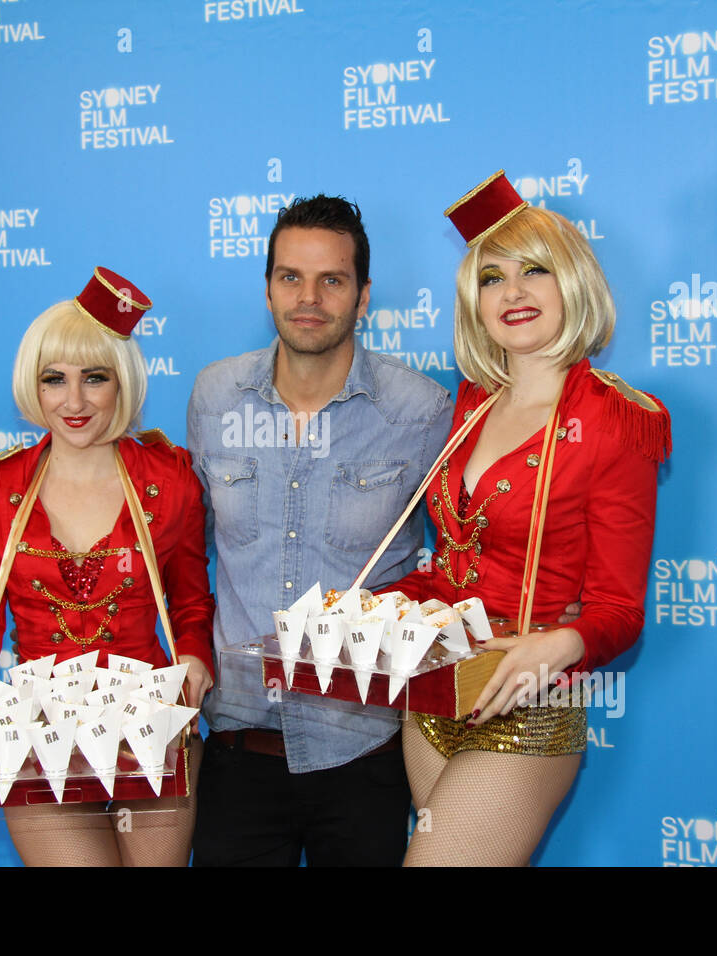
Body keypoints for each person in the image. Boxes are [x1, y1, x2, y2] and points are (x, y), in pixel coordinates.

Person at [391, 171, 671, 866]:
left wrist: (556, 646)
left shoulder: (617, 419)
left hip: (528, 708)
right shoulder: (470, 405)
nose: (511, 293)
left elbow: (618, 608)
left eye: (533, 271)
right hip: (431, 698)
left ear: (572, 282)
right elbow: (458, 562)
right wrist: (382, 608)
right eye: (491, 278)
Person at [187, 195, 455, 866]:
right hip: (237, 748)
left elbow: (458, 565)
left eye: (332, 280)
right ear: (268, 288)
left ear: (364, 295)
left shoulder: (420, 410)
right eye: (290, 277)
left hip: (363, 751)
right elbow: (187, 556)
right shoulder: (215, 397)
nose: (308, 297)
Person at [0, 267, 215, 867]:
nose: (73, 402)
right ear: (34, 386)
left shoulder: (169, 479)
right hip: (37, 735)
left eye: (94, 379)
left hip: (150, 729)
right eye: (55, 380)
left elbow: (187, 602)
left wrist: (194, 656)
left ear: (121, 383)